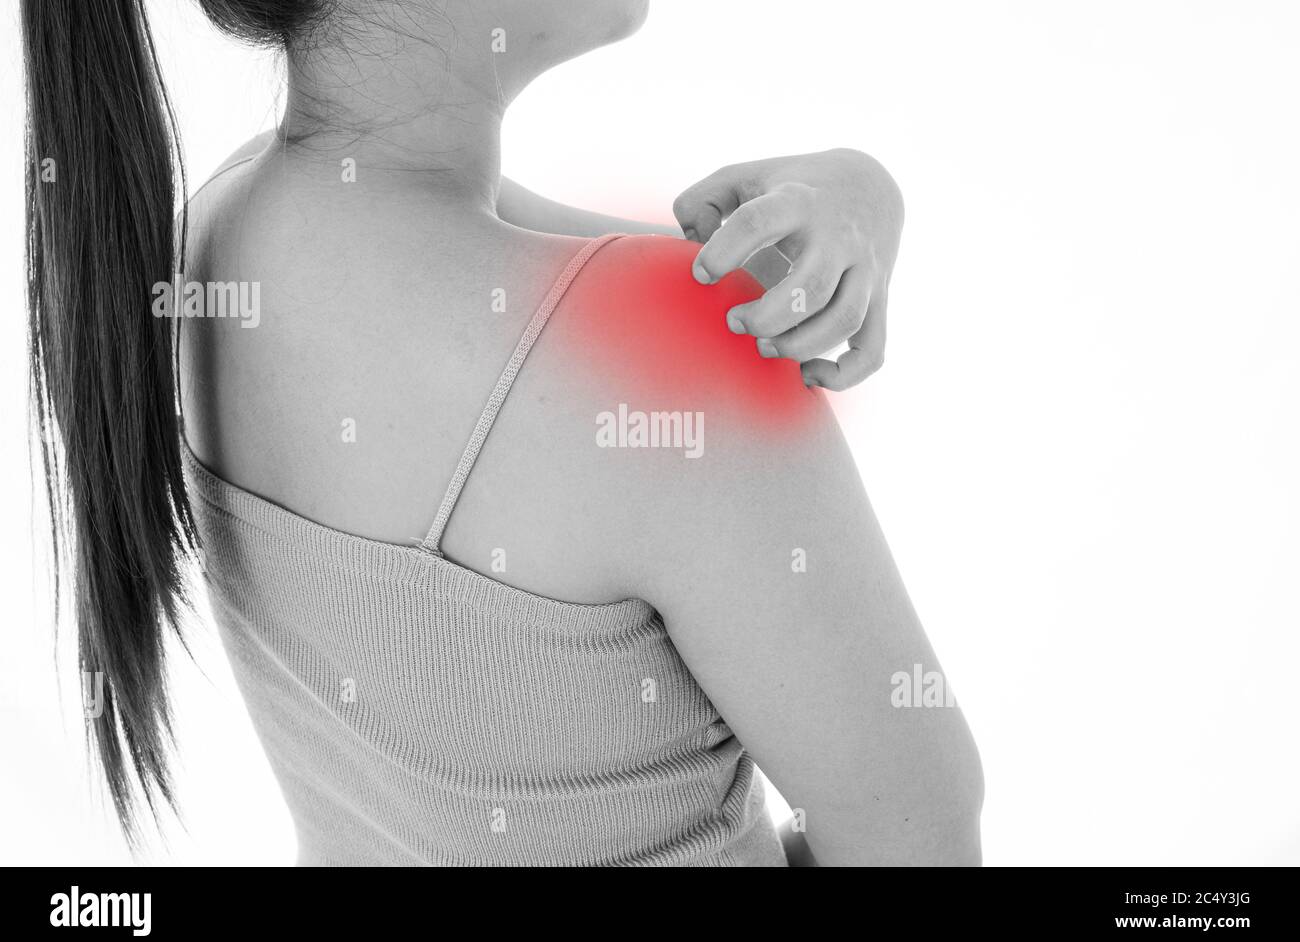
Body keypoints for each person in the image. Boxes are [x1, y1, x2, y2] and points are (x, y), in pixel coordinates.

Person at [21, 0, 983, 865]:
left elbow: (590, 311)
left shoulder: (216, 245)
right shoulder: (665, 360)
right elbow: (918, 839)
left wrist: (861, 189)